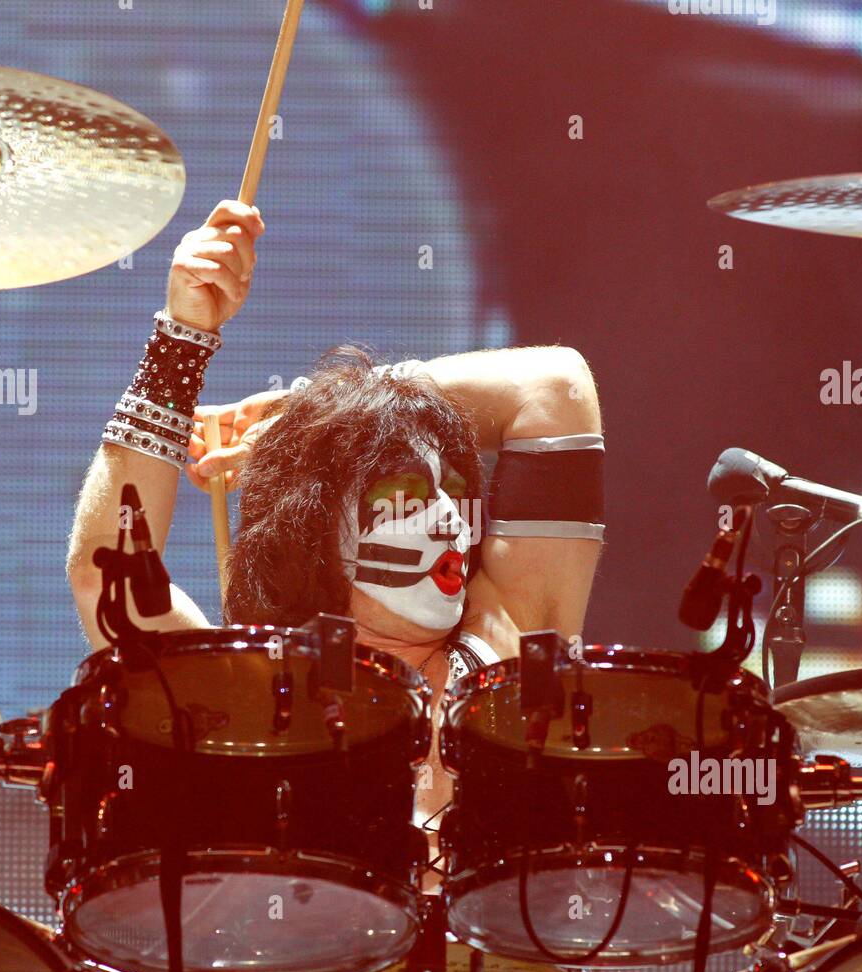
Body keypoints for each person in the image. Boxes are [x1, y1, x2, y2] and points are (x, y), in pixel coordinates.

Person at [67, 199, 605, 831]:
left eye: (452, 491)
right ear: (318, 530)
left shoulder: (507, 649)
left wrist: (330, 407)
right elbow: (108, 575)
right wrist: (182, 342)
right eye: (405, 495)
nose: (444, 518)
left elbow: (556, 386)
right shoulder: (251, 692)